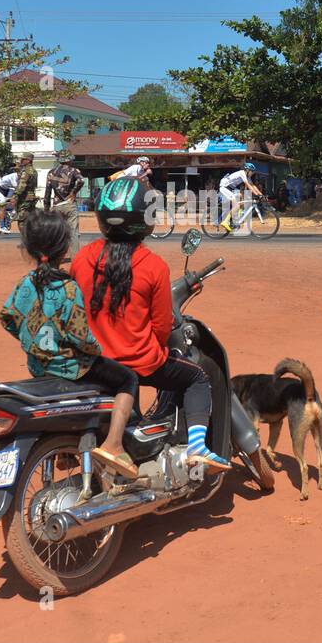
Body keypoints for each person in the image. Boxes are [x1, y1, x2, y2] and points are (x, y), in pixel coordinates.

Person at [71, 177, 230, 471]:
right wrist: (153, 348)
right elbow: (161, 326)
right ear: (146, 219)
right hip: (138, 362)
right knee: (197, 378)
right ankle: (197, 446)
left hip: (91, 362)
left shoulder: (82, 258)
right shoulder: (153, 266)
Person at [0, 210, 139, 478]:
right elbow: (80, 337)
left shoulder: (25, 284)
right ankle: (114, 443)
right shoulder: (68, 288)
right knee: (127, 379)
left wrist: (31, 341)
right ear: (63, 247)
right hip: (71, 367)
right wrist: (96, 350)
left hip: (38, 367)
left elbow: (7, 317)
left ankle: (65, 450)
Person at [44, 151, 85, 254]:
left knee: (56, 232)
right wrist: (73, 192)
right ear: (69, 159)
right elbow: (81, 181)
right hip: (69, 204)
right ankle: (75, 258)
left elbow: (47, 192)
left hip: (56, 206)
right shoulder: (74, 171)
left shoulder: (51, 172)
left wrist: (46, 209)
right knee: (73, 232)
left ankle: (54, 257)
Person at [218, 162, 265, 232]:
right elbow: (248, 186)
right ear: (247, 170)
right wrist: (256, 194)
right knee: (236, 205)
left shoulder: (247, 176)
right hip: (224, 187)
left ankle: (237, 218)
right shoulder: (242, 173)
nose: (252, 173)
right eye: (252, 171)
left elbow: (253, 185)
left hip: (230, 189)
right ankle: (225, 222)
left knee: (241, 197)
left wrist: (261, 195)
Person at [12, 153, 39, 226]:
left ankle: (25, 236)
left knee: (22, 221)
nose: (21, 161)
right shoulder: (33, 170)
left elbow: (22, 184)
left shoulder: (26, 171)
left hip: (24, 198)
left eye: (23, 159)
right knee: (30, 219)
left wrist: (15, 196)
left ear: (28, 160)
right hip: (31, 197)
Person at [0, 169, 19, 233]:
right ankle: (2, 226)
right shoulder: (13, 177)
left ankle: (10, 212)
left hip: (7, 188)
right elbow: (18, 189)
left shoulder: (21, 178)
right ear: (17, 173)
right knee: (3, 204)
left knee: (15, 198)